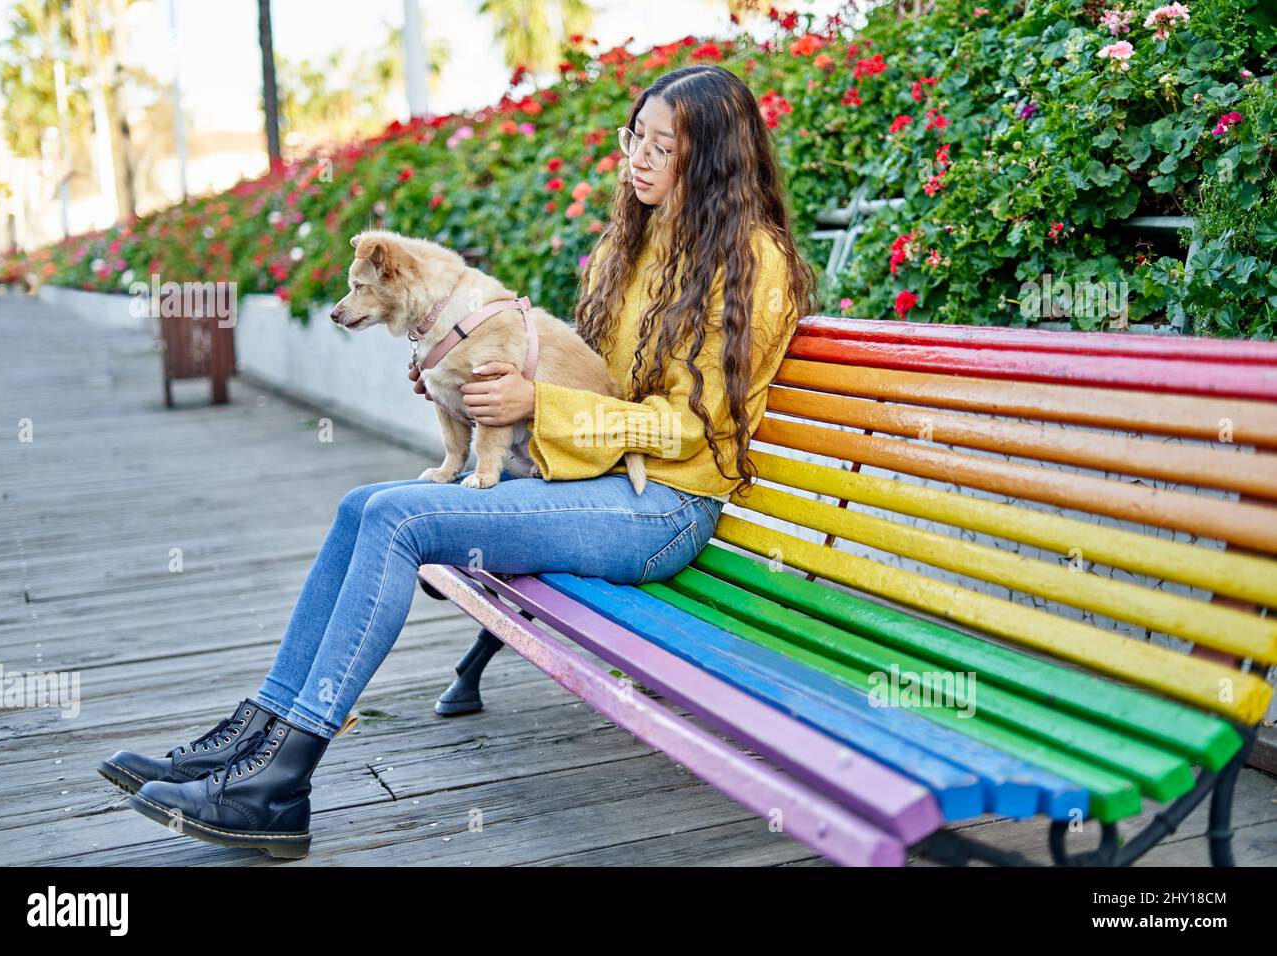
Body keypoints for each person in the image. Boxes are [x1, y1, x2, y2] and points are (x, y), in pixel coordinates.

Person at [100, 64, 818, 858]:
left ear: (713, 157)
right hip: (592, 481)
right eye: (633, 137)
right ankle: (254, 739)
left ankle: (281, 781)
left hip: (662, 511)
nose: (637, 158)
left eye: (661, 145)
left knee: (402, 518)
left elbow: (692, 429)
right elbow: (581, 370)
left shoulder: (755, 265)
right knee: (360, 506)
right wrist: (464, 370)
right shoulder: (641, 242)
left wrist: (534, 406)